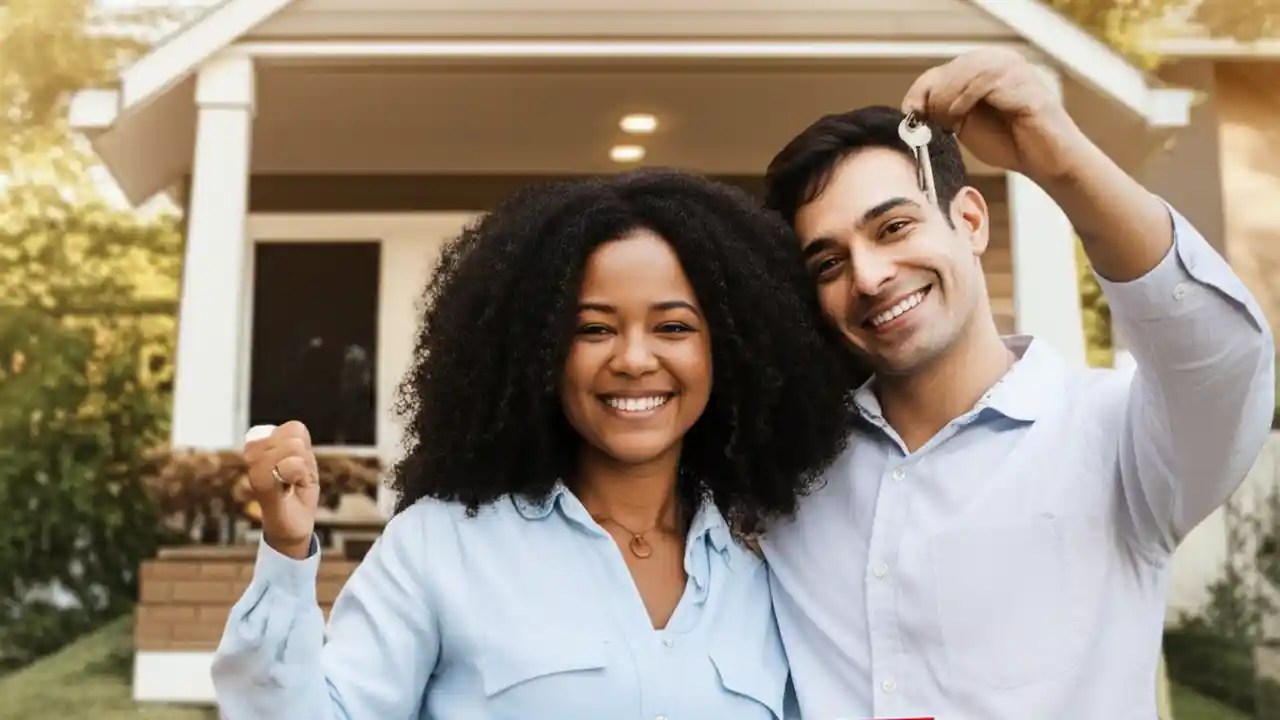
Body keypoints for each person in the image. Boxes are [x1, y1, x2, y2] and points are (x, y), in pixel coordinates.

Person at [210, 170, 857, 719]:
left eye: (673, 326)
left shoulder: (765, 569)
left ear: (733, 351)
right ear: (538, 353)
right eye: (594, 328)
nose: (635, 359)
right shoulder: (442, 545)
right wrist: (288, 551)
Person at [759, 48, 1276, 719]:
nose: (868, 275)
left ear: (970, 221)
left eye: (893, 227)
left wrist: (1060, 161)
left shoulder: (1116, 441)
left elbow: (1220, 356)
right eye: (828, 263)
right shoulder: (786, 472)